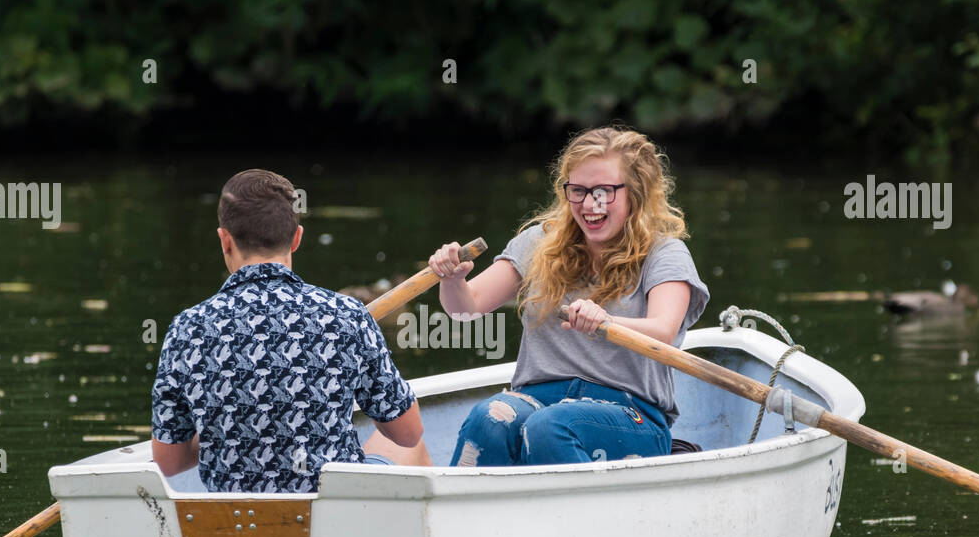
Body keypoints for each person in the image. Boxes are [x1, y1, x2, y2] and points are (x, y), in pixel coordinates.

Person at [428, 126, 709, 466]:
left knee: (551, 428)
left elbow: (664, 330)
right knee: (487, 419)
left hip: (630, 413)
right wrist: (452, 280)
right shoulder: (538, 244)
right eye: (578, 191)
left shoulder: (665, 253)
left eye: (604, 191)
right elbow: (465, 310)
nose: (590, 204)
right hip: (536, 400)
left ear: (635, 193)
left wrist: (605, 321)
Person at [151, 168, 426, 492]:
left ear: (225, 240)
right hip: (332, 522)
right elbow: (408, 433)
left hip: (234, 532)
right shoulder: (347, 316)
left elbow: (168, 461)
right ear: (296, 238)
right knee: (414, 449)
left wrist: (228, 429)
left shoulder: (186, 329)